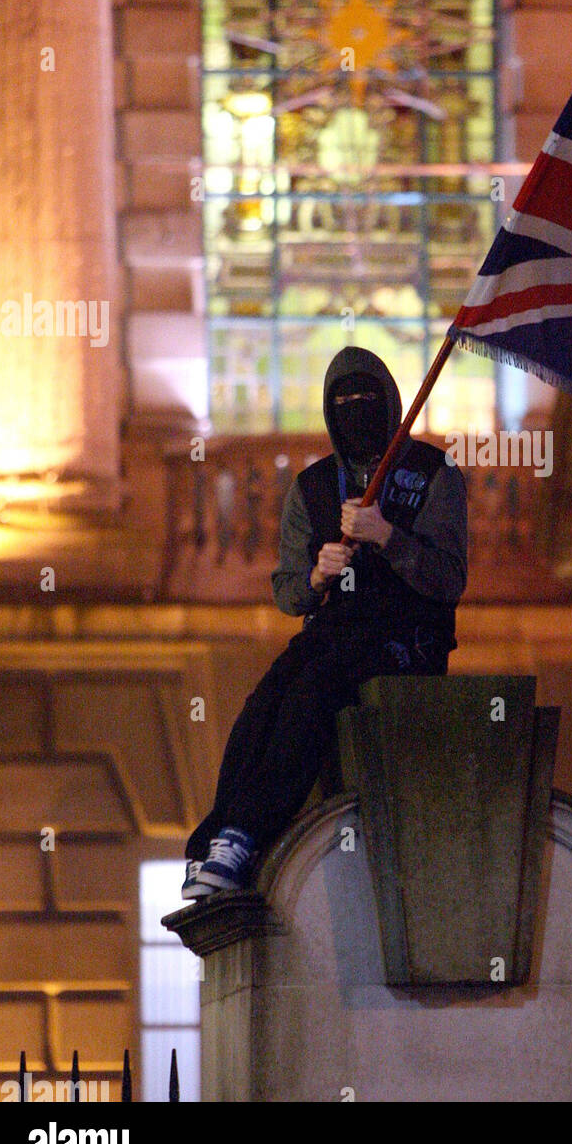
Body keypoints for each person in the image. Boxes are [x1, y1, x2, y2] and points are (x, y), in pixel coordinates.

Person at [182, 345, 468, 898]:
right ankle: (217, 839)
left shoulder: (434, 474)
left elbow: (449, 579)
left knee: (312, 694)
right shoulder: (312, 487)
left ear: (389, 403)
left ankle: (246, 834)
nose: (356, 412)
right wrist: (317, 575)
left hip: (404, 639)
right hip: (334, 630)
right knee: (265, 700)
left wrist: (388, 536)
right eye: (344, 403)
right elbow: (288, 594)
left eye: (367, 400)